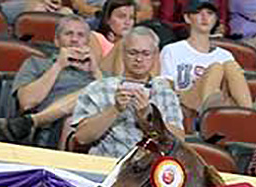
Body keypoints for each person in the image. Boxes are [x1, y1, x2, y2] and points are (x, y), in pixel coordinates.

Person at [72, 27, 184, 156]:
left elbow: (179, 140)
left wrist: (148, 117)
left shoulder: (165, 93)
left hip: (150, 164)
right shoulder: (99, 88)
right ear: (123, 54)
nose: (139, 59)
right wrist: (115, 109)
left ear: (155, 56)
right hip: (107, 161)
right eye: (133, 53)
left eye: (146, 54)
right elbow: (81, 138)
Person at [161, 0, 256, 123]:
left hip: (219, 101)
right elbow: (165, 85)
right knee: (215, 68)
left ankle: (250, 112)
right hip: (185, 100)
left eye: (210, 13)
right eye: (198, 13)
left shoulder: (224, 55)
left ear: (215, 19)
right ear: (187, 18)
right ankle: (210, 114)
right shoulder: (172, 50)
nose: (204, 18)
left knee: (230, 66)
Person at [0, 16, 103, 148]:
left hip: (95, 123)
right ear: (56, 41)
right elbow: (27, 102)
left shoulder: (98, 74)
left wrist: (95, 71)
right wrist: (58, 66)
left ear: (87, 43)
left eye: (80, 35)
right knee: (73, 118)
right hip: (54, 128)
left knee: (97, 91)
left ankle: (33, 121)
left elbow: (110, 98)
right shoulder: (37, 64)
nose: (74, 39)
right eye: (68, 34)